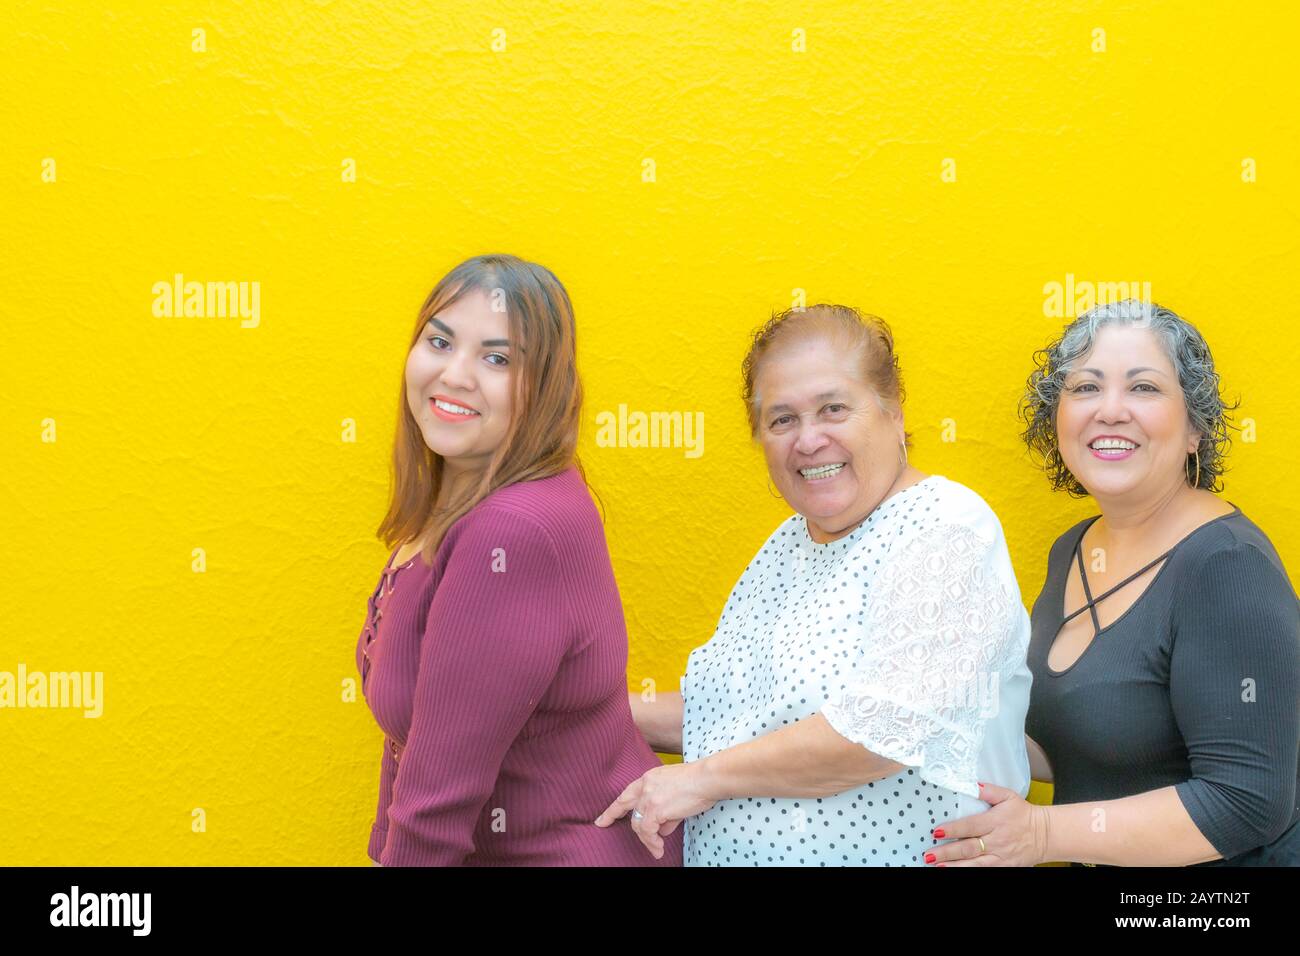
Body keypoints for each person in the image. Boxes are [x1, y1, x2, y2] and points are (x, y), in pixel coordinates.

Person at [598, 303, 1032, 866]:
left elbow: (881, 730)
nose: (808, 441)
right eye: (782, 420)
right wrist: (581, 709)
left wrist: (700, 780)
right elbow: (731, 717)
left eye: (833, 408)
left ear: (893, 411)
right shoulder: (788, 544)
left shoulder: (944, 528)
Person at [926, 298, 1300, 866]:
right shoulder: (1072, 550)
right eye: (1084, 388)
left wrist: (1042, 835)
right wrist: (925, 721)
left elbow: (1246, 802)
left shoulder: (1226, 567)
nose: (1110, 410)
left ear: (1195, 427)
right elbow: (1082, 739)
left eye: (1144, 388)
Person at [358, 253, 681, 866]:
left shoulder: (507, 532)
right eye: (440, 341)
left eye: (498, 358)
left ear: (544, 388)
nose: (455, 374)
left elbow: (435, 803)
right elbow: (416, 748)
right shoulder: (462, 499)